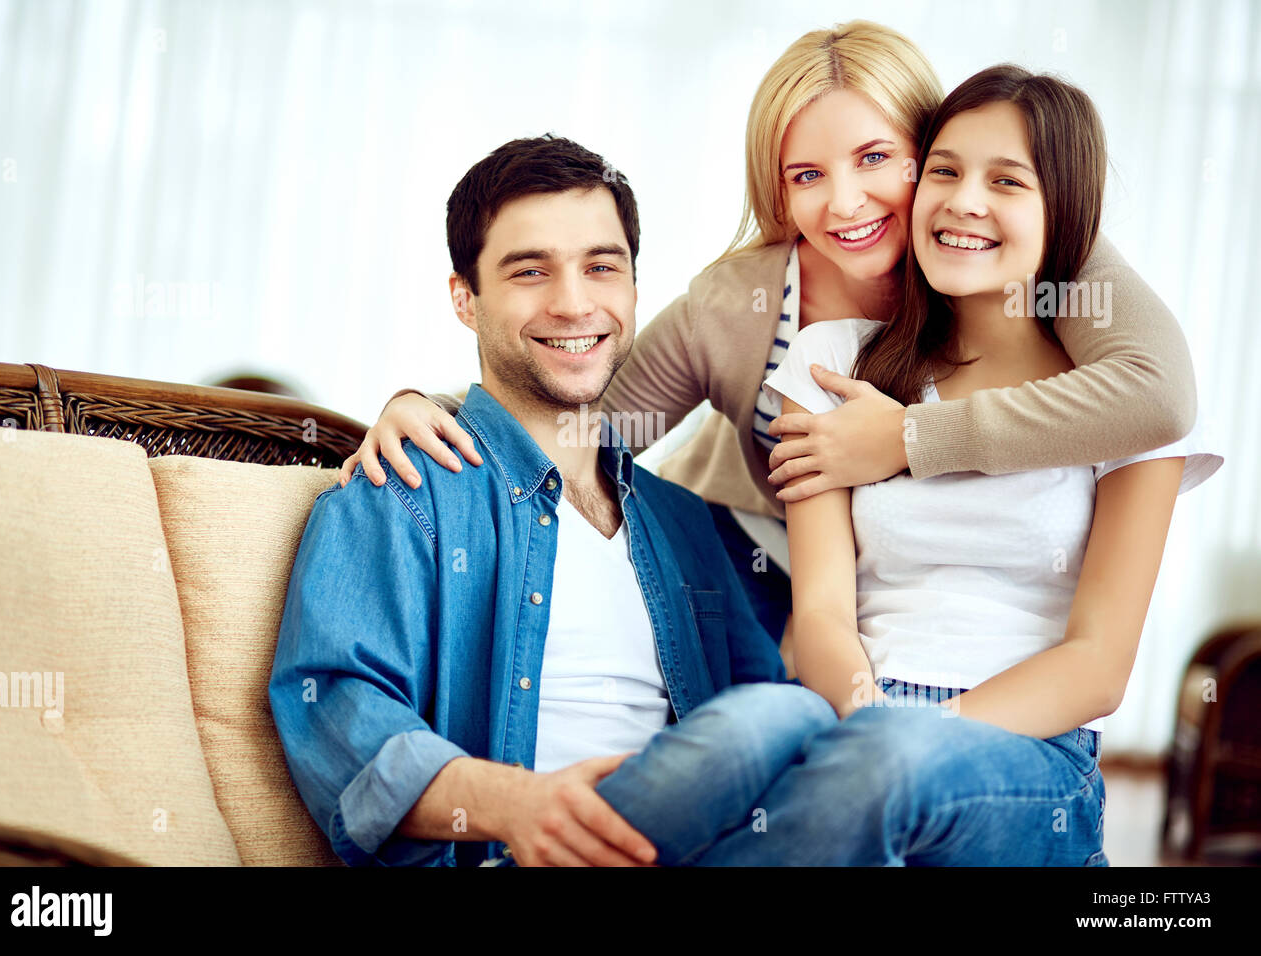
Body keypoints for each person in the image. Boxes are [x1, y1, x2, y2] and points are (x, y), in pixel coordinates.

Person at [337, 21, 1199, 675]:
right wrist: (431, 408)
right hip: (763, 557)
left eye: (877, 158)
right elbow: (585, 417)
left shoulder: (1026, 238)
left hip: (931, 593)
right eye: (806, 175)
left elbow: (1158, 396)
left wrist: (903, 441)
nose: (847, 202)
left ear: (933, 152)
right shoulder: (738, 303)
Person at [595, 64, 1223, 866]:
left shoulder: (1119, 399)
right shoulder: (831, 360)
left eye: (1008, 181)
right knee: (747, 728)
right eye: (947, 171)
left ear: (1067, 214)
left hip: (1028, 750)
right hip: (854, 713)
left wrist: (914, 730)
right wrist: (868, 718)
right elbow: (822, 611)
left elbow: (1098, 666)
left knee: (892, 762)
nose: (965, 201)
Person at [269, 134, 838, 868]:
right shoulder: (403, 491)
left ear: (633, 289)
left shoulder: (684, 524)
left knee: (851, 754)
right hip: (508, 853)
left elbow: (771, 734)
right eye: (530, 271)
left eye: (602, 267)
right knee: (782, 718)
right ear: (464, 300)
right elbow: (332, 705)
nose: (574, 303)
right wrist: (521, 805)